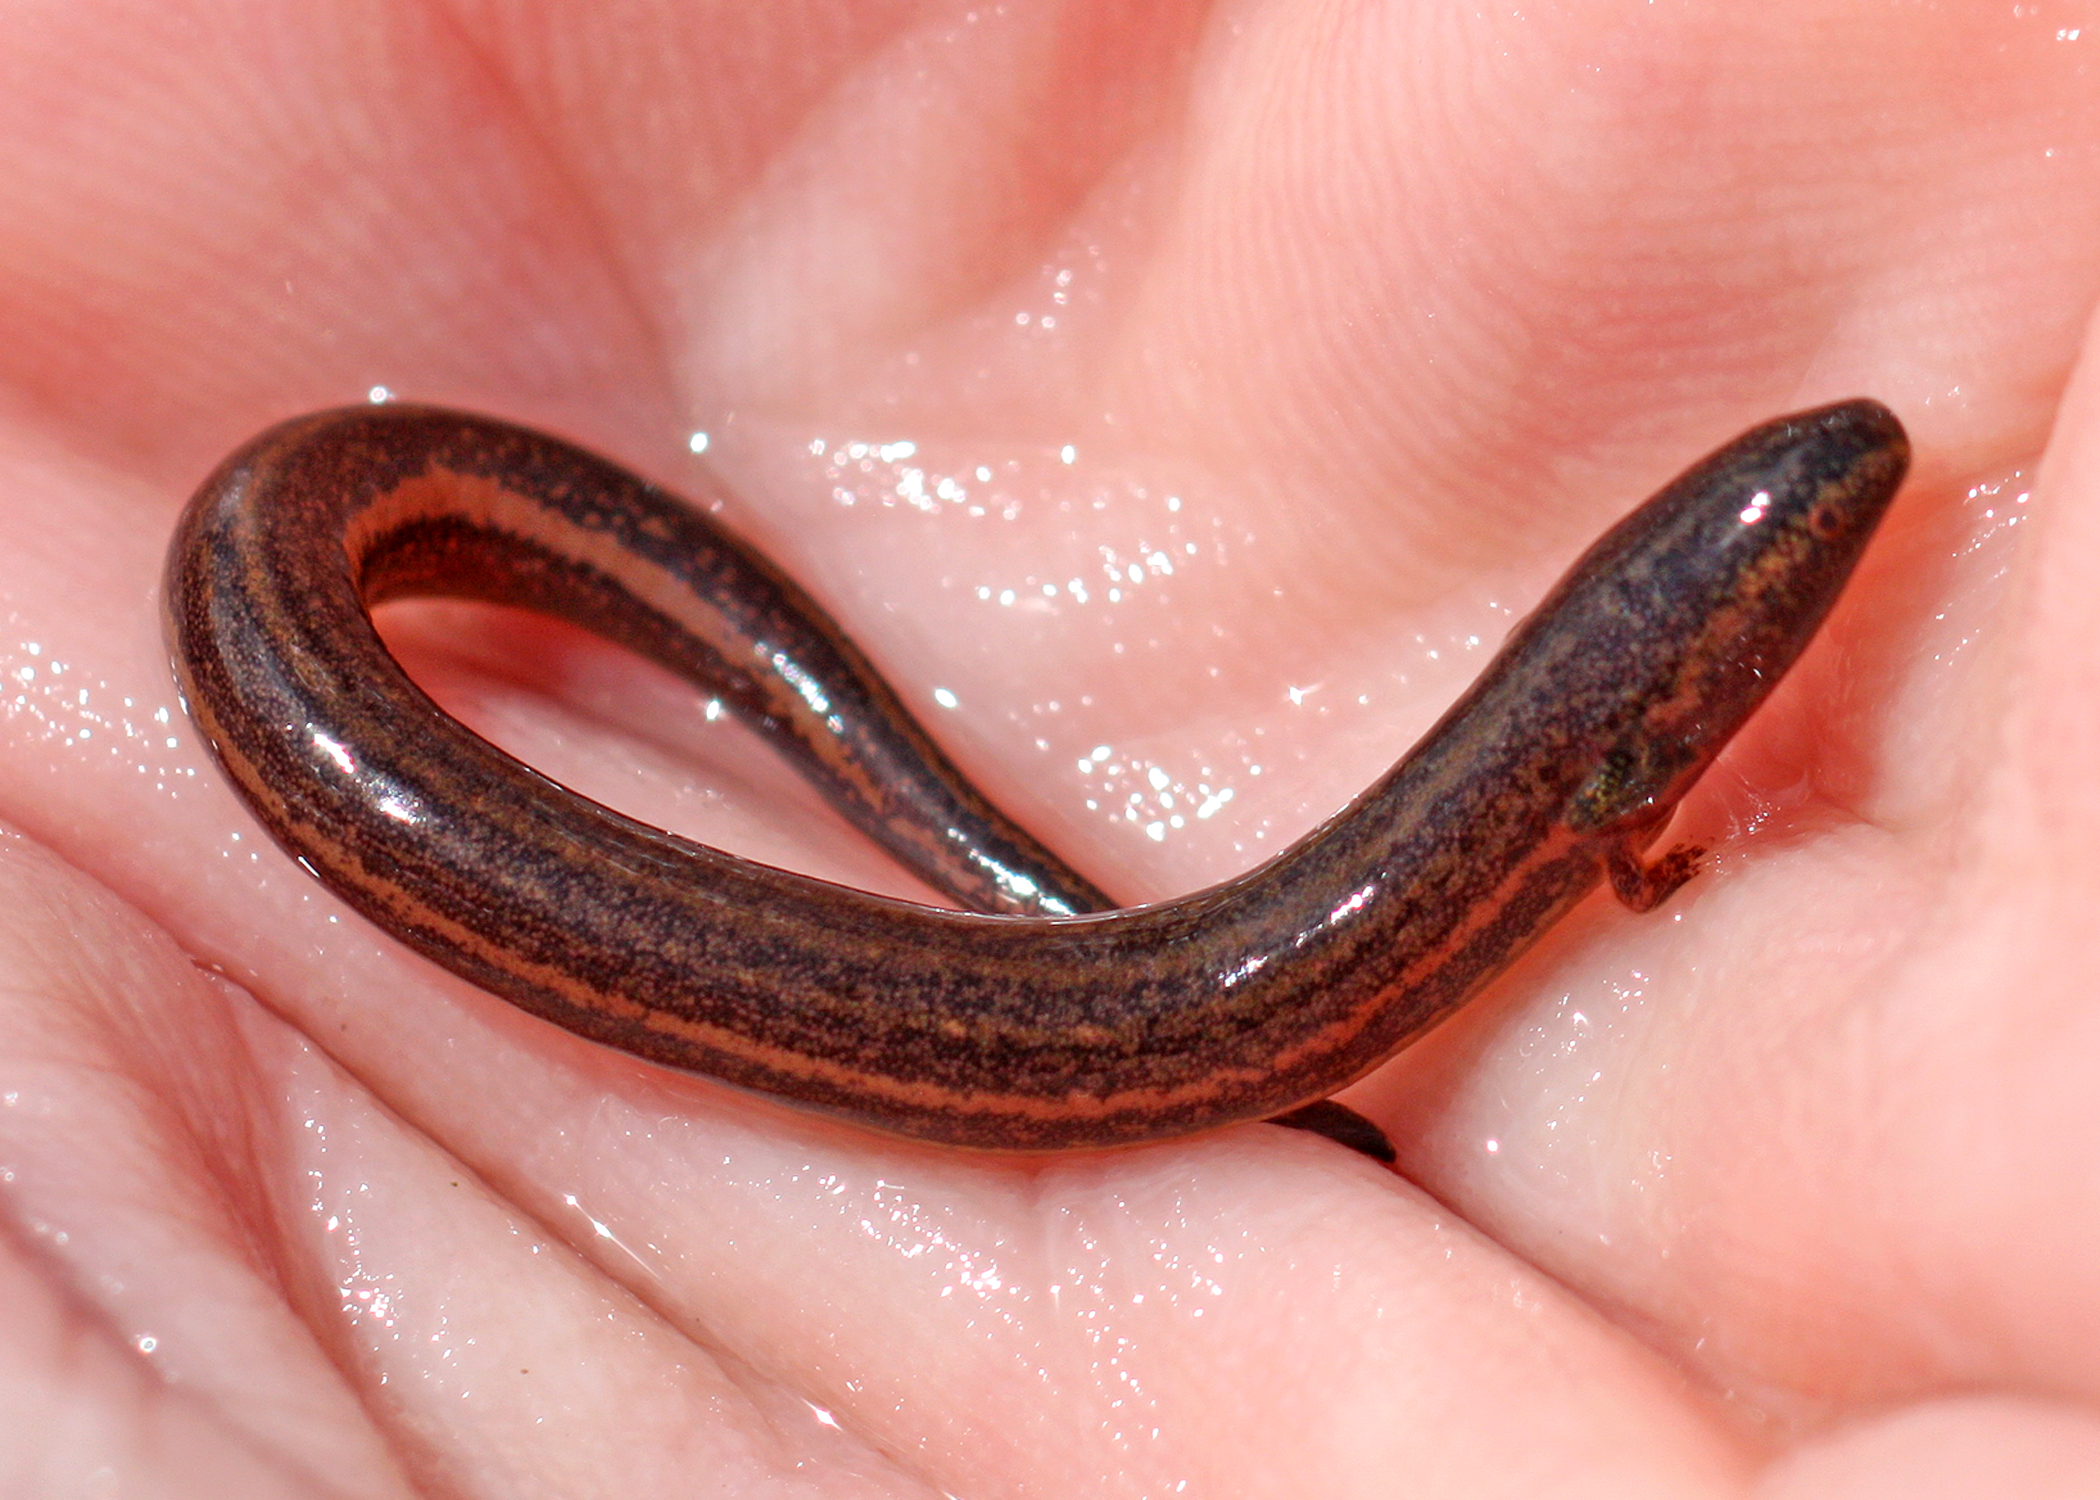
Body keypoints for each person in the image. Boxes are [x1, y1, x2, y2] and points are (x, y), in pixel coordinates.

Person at [2, 3, 2097, 1494]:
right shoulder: (1593, 799)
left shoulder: (1577, 796)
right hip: (332, 632)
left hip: (1146, 983)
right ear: (1639, 748)